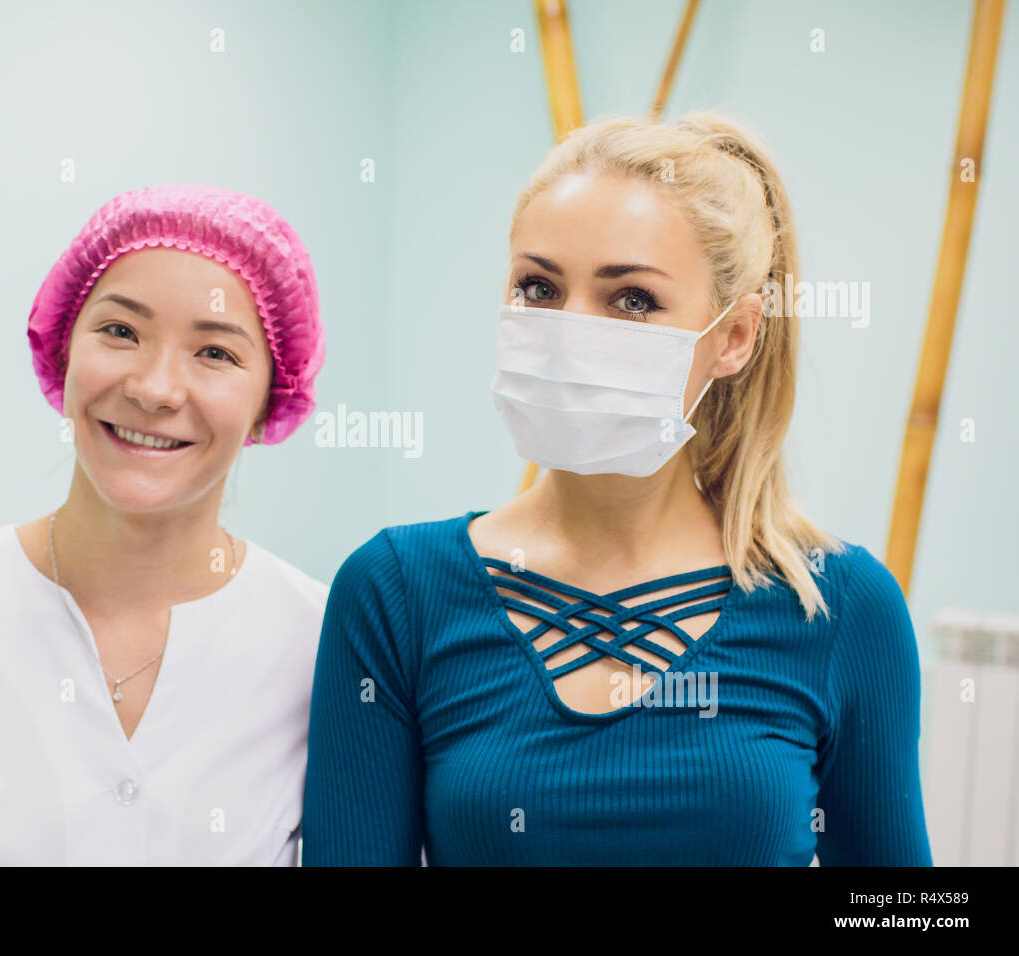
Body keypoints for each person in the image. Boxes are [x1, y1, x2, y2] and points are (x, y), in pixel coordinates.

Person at [301, 112, 934, 866]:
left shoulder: (838, 606)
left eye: (632, 299)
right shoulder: (396, 592)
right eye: (538, 287)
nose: (570, 333)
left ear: (733, 337)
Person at [0, 184, 329, 865]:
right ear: (63, 350)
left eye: (215, 353)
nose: (154, 388)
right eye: (120, 331)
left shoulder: (322, 644)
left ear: (270, 400)